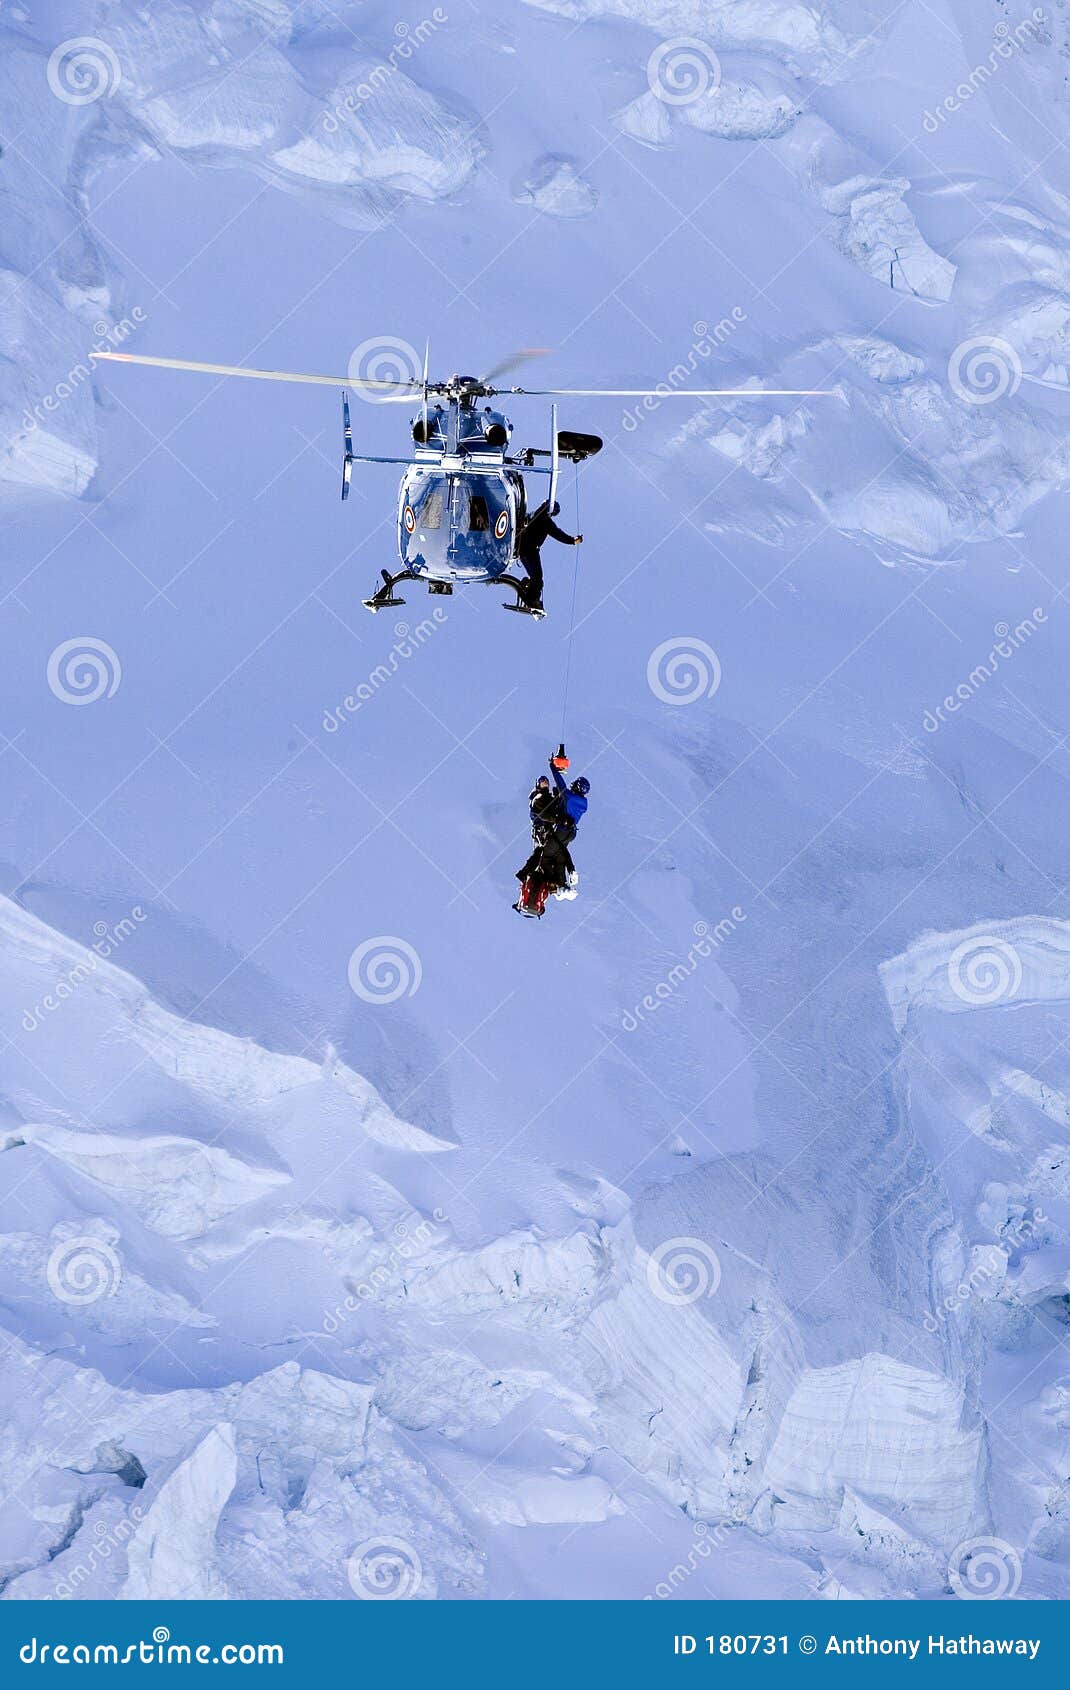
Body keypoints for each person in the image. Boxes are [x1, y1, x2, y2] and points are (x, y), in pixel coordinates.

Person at [516, 501, 582, 611]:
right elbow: (557, 533)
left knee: (536, 578)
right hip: (529, 549)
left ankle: (528, 587)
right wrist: (572, 541)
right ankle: (532, 601)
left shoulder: (534, 514)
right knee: (537, 577)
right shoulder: (544, 519)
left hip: (522, 548)